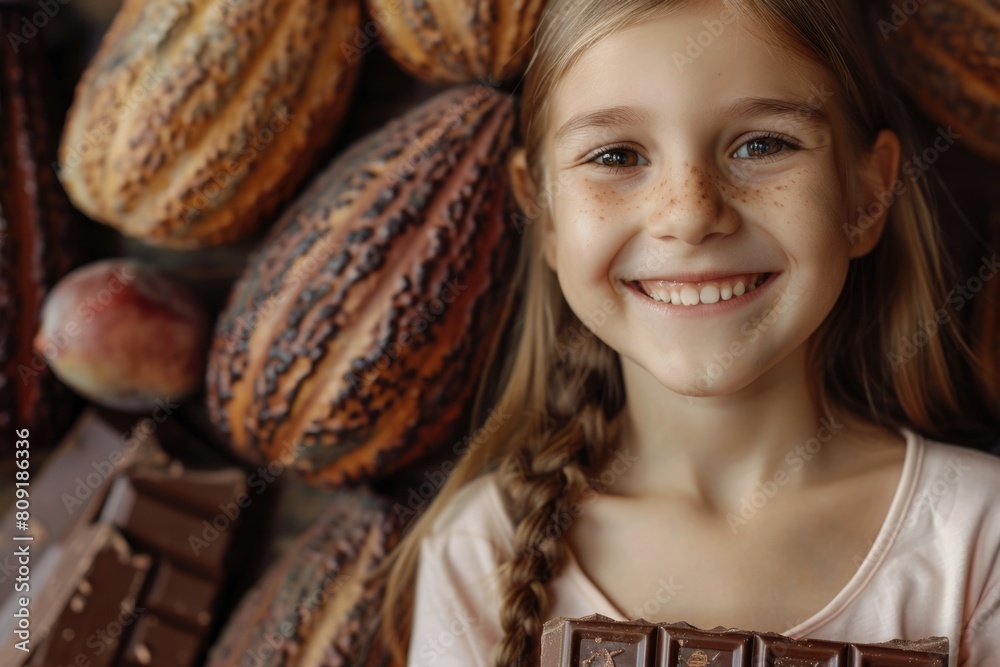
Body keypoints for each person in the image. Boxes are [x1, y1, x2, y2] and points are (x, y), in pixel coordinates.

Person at [376, 0, 1000, 664]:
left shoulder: (974, 536)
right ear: (547, 215)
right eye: (617, 155)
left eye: (762, 144)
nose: (691, 213)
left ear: (867, 194)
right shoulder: (483, 550)